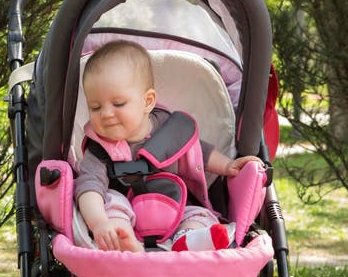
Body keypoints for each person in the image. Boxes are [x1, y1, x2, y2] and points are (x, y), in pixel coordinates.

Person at [73, 40, 264, 253]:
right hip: (128, 217)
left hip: (174, 209)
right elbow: (88, 188)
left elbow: (199, 152)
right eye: (95, 107)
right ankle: (123, 240)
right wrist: (99, 223)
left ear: (148, 101)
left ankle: (188, 239)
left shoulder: (169, 129)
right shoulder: (99, 150)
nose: (106, 114)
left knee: (200, 215)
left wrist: (228, 166)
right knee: (111, 202)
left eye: (118, 104)